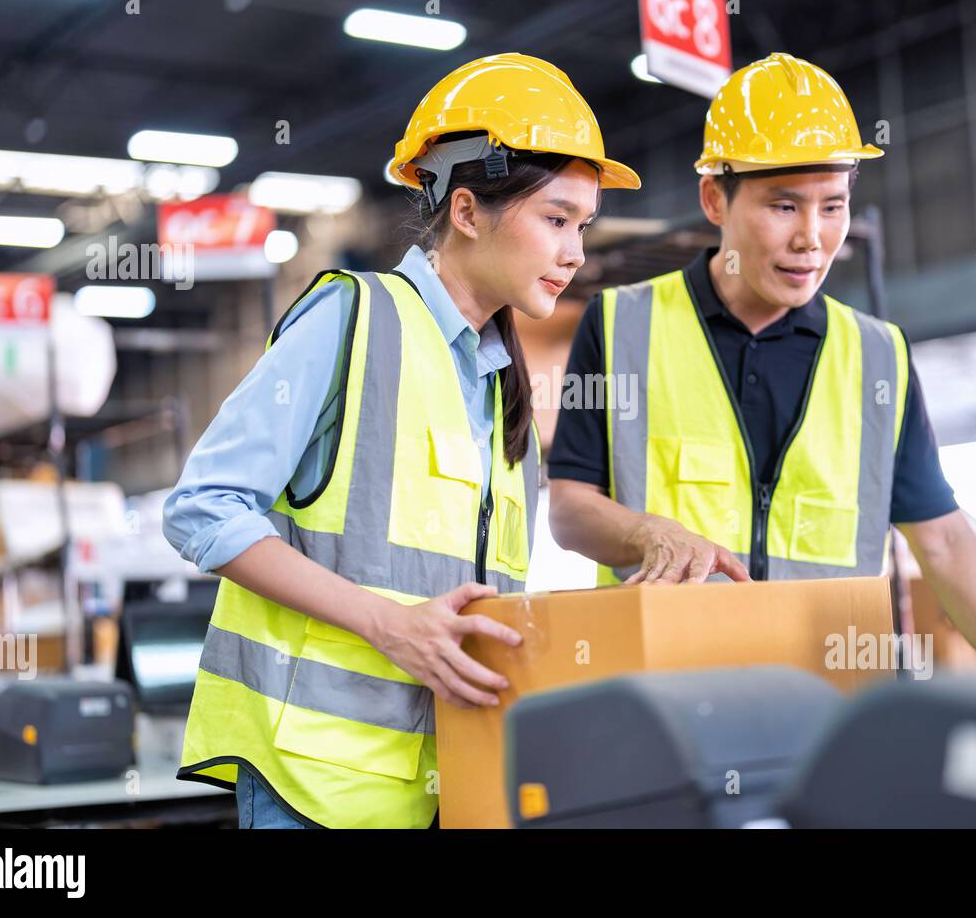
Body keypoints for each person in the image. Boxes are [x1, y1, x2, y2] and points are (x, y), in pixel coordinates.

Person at [162, 52, 640, 828]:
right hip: (311, 791)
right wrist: (390, 626)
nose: (575, 252)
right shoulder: (353, 320)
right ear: (465, 209)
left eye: (582, 226)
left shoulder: (499, 383)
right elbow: (202, 509)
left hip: (446, 784)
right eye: (556, 219)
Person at [548, 53, 976, 663]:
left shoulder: (879, 357)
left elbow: (942, 541)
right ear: (715, 200)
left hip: (830, 709)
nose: (811, 237)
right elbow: (568, 511)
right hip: (665, 696)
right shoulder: (622, 325)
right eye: (783, 206)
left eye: (832, 206)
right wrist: (647, 532)